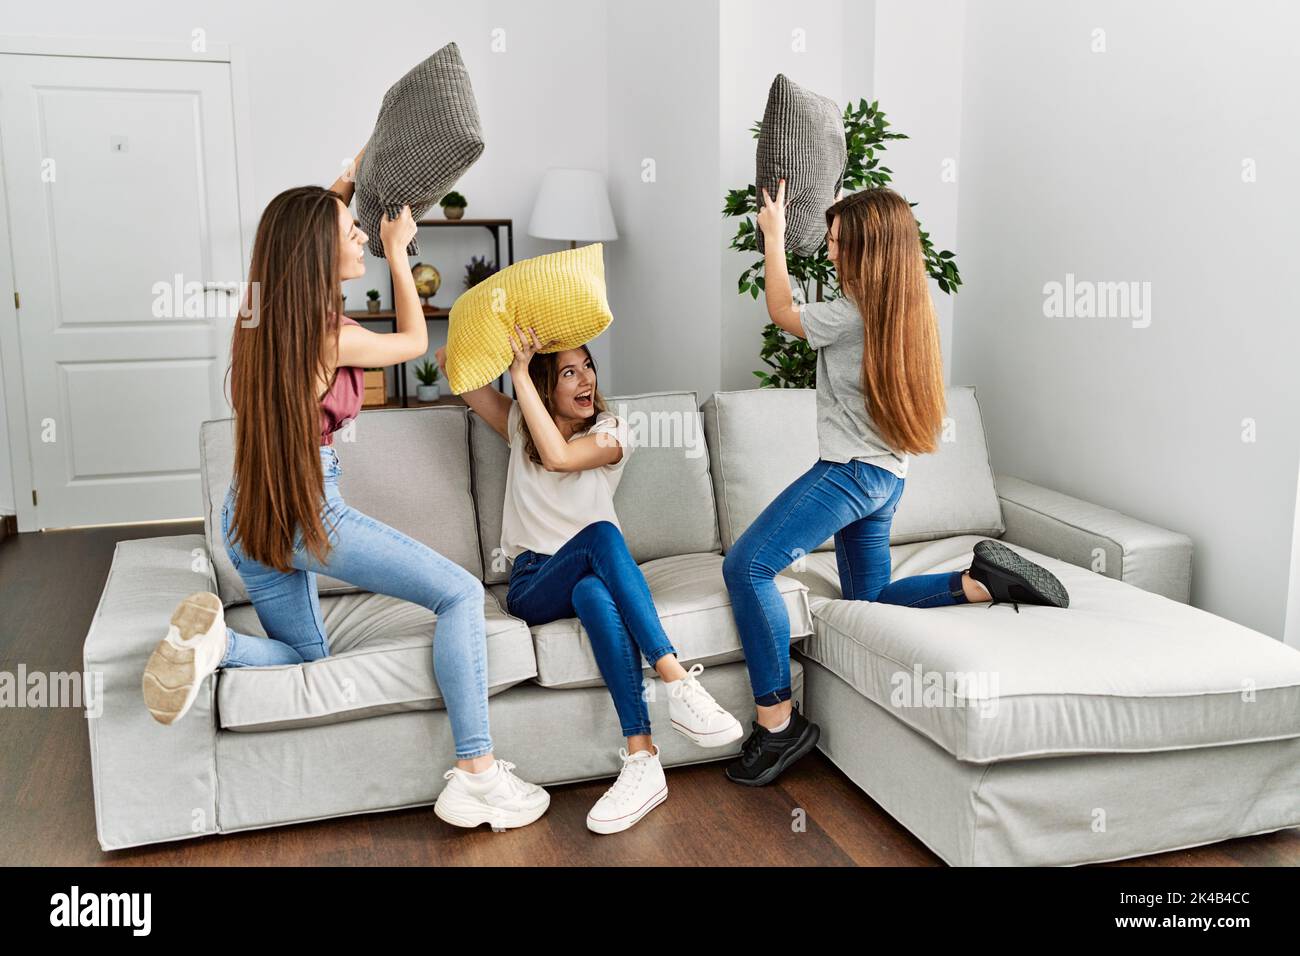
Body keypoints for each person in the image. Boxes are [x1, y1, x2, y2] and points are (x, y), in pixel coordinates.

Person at [141, 146, 549, 832]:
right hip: (306, 511)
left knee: (305, 658)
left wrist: (349, 180)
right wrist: (397, 252)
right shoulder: (338, 337)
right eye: (349, 231)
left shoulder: (258, 321)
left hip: (247, 517)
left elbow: (294, 232)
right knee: (457, 592)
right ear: (318, 255)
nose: (358, 232)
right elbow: (417, 341)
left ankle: (216, 646)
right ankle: (477, 775)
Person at [722, 180, 1069, 787]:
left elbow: (780, 311)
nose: (828, 254)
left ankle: (777, 724)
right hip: (887, 477)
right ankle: (980, 583)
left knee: (747, 565)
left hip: (850, 475)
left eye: (835, 245)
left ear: (864, 251)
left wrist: (774, 238)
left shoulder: (850, 313)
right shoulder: (906, 307)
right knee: (867, 600)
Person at [442, 329, 743, 833]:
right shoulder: (521, 424)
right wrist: (516, 351)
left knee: (592, 589)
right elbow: (451, 361)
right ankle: (677, 681)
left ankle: (642, 758)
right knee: (601, 534)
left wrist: (525, 380)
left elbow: (562, 456)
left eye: (588, 366)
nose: (586, 379)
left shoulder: (614, 431)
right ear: (544, 387)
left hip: (589, 576)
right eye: (567, 372)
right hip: (534, 584)